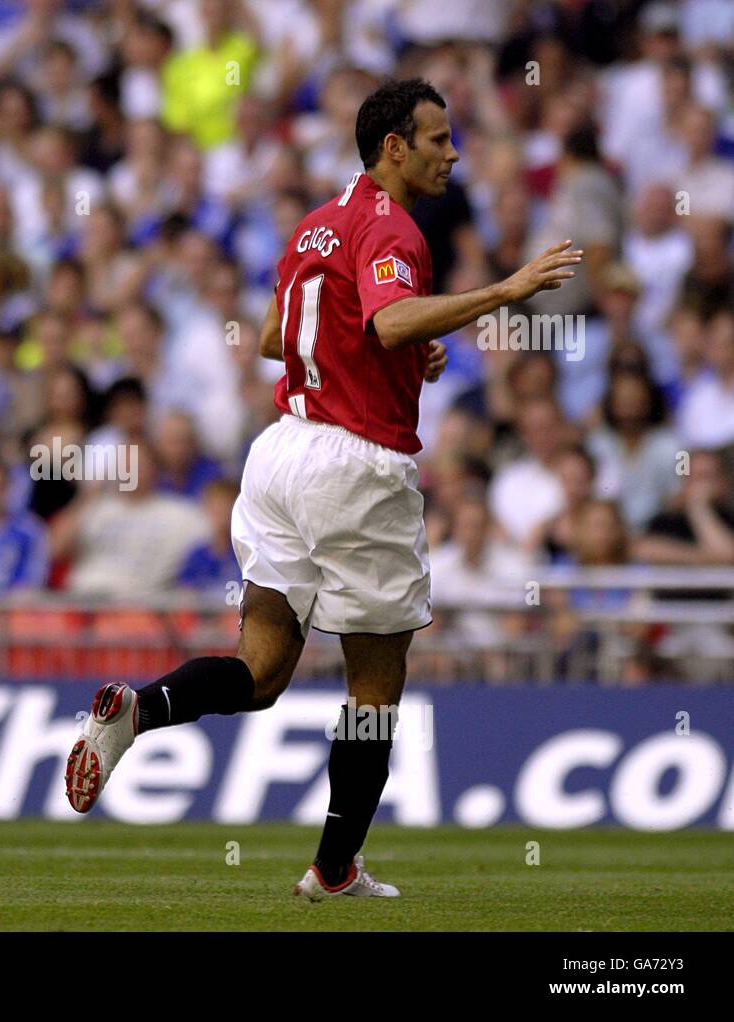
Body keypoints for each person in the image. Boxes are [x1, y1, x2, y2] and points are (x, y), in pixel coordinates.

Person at [64, 78, 581, 899]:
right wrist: (502, 292)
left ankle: (137, 708)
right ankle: (335, 868)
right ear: (394, 148)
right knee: (374, 686)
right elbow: (385, 321)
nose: (455, 153)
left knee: (262, 670)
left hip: (278, 457)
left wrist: (403, 350)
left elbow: (282, 336)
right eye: (440, 139)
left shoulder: (316, 221)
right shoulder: (392, 226)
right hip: (354, 468)